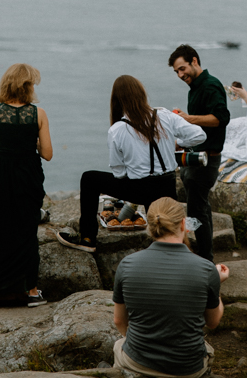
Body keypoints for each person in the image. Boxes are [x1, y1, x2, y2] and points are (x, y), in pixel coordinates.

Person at [58, 76, 205, 253]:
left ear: (117, 100)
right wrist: (178, 143)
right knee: (165, 230)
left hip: (138, 189)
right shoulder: (164, 115)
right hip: (167, 187)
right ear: (142, 94)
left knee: (89, 178)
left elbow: (119, 172)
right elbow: (199, 135)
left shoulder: (117, 129)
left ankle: (88, 238)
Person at [112, 197, 229, 378]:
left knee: (119, 344)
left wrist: (146, 345)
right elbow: (213, 322)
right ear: (184, 224)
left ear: (149, 227)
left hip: (138, 362)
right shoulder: (207, 269)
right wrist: (216, 282)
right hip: (188, 368)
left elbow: (119, 320)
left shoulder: (127, 264)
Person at [0, 63, 53, 308]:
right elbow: (47, 154)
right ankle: (31, 290)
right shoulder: (39, 114)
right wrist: (31, 143)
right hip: (27, 176)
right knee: (26, 230)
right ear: (28, 87)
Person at [169, 44, 230, 261]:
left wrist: (187, 118)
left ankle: (204, 260)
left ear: (195, 61)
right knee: (201, 208)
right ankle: (206, 255)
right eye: (177, 71)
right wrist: (180, 139)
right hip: (192, 158)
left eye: (182, 68)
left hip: (206, 161)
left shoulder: (210, 86)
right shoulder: (195, 87)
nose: (180, 74)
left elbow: (221, 118)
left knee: (196, 212)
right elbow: (198, 129)